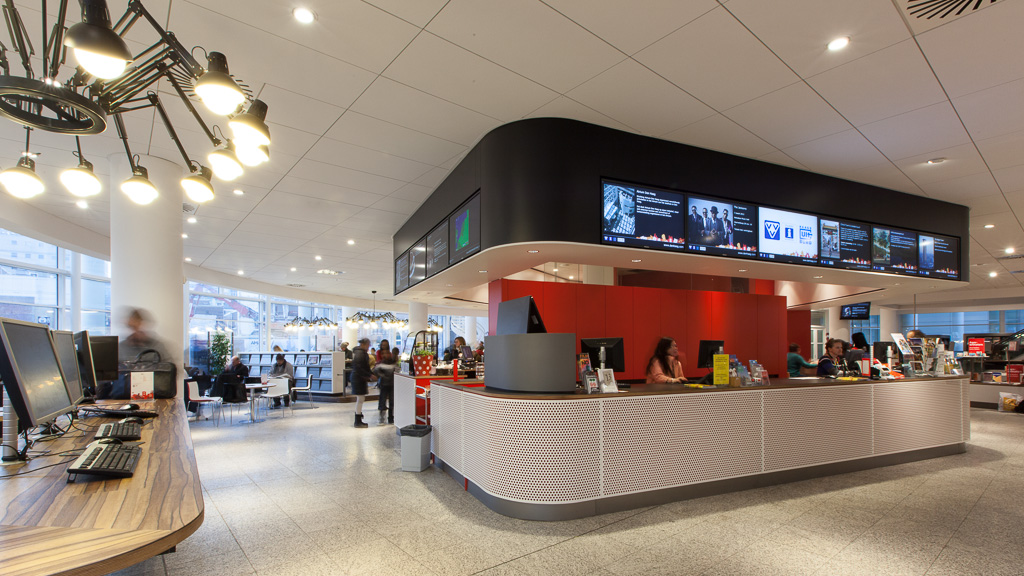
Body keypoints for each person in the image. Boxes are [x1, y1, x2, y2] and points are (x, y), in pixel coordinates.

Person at [349, 338, 375, 428]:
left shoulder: (359, 352)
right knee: (360, 399)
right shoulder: (360, 353)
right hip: (358, 378)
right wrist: (370, 375)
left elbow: (364, 367)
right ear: (363, 344)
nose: (368, 347)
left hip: (358, 378)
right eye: (368, 345)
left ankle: (359, 417)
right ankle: (357, 420)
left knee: (360, 399)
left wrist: (370, 374)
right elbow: (360, 367)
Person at [373, 346, 398, 424]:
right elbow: (376, 371)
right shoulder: (380, 364)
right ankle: (382, 418)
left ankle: (391, 418)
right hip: (383, 384)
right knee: (382, 401)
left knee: (392, 402)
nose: (385, 355)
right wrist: (383, 376)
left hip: (391, 384)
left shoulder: (394, 363)